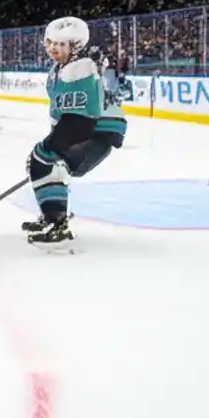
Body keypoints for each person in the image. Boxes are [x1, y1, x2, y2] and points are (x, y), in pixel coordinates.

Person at [23, 17, 127, 252]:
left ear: (75, 45)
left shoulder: (79, 67)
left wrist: (51, 146)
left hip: (99, 131)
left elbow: (81, 121)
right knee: (41, 161)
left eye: (60, 44)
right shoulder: (60, 69)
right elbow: (65, 114)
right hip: (89, 128)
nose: (52, 49)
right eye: (49, 43)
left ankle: (58, 225)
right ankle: (53, 214)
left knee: (48, 163)